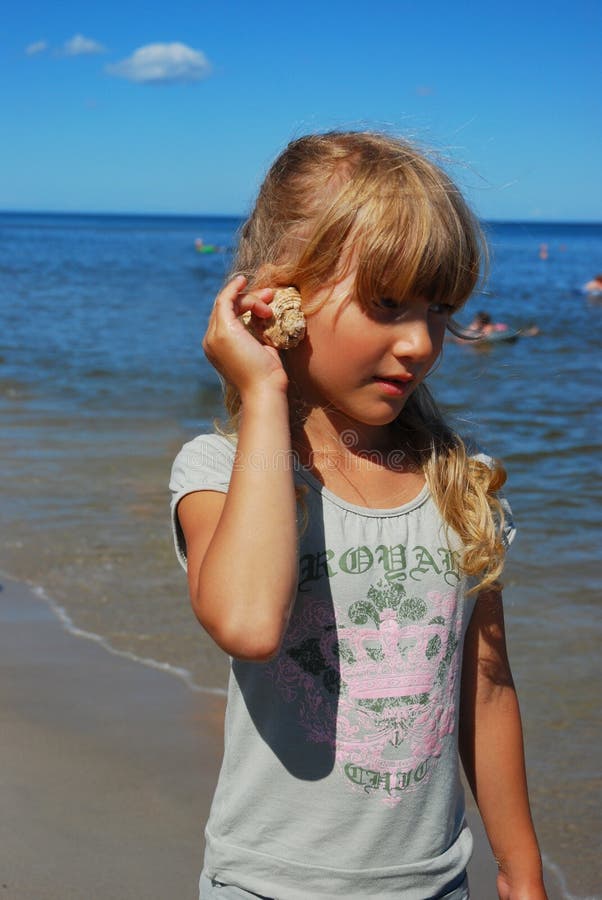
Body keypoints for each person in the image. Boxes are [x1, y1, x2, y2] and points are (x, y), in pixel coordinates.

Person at [170, 132, 547, 900]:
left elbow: (485, 689)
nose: (420, 342)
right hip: (267, 885)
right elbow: (248, 624)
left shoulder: (459, 485)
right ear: (281, 296)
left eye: (438, 310)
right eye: (387, 303)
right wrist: (265, 392)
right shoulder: (216, 475)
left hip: (435, 884)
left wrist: (520, 869)